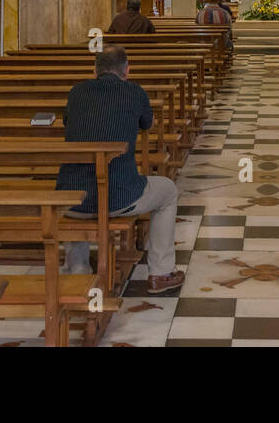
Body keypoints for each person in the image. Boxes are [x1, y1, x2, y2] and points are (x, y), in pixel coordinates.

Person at [56, 46, 184, 294]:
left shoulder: (77, 92)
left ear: (95, 71)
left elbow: (68, 121)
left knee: (76, 183)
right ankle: (161, 273)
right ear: (127, 70)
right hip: (119, 196)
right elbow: (147, 123)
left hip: (71, 199)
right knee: (168, 190)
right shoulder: (134, 92)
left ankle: (77, 268)